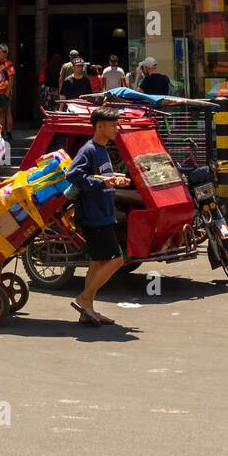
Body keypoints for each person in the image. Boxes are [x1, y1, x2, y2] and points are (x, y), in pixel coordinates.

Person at [66, 107, 129, 326]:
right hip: (93, 216)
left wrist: (115, 178)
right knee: (116, 259)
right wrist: (102, 181)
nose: (116, 129)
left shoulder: (102, 149)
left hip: (103, 214)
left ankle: (88, 310)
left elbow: (100, 178)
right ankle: (84, 298)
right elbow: (73, 174)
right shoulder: (89, 149)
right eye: (112, 125)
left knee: (97, 262)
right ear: (99, 126)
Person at [0, 43, 15, 134]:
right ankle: (1, 133)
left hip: (5, 91)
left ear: (5, 53)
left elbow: (11, 77)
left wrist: (8, 90)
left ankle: (9, 133)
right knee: (0, 113)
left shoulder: (8, 64)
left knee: (8, 112)